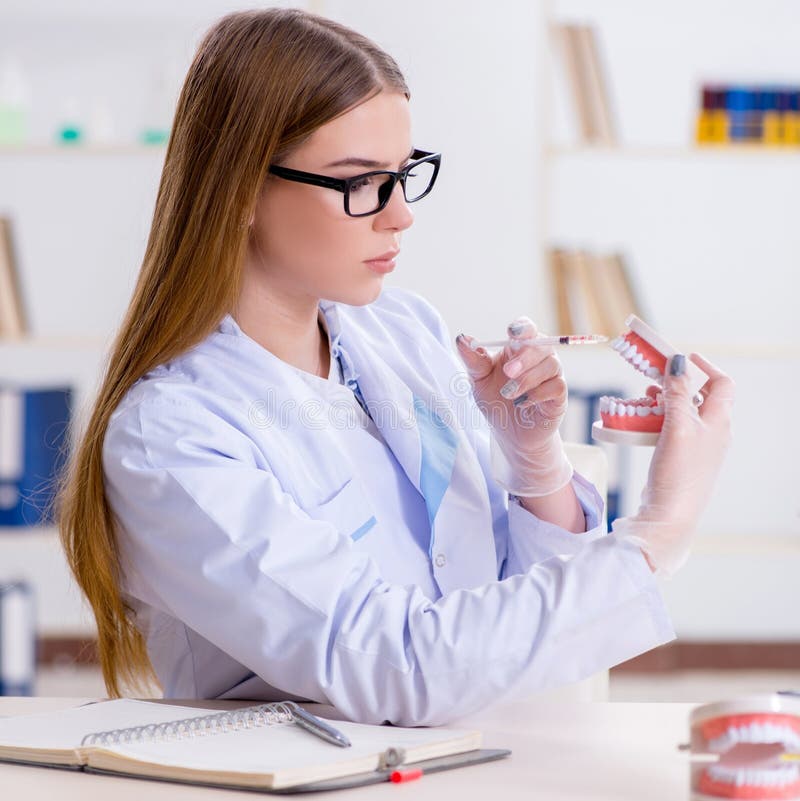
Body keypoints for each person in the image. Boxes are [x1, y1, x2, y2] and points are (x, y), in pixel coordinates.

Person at [58, 8, 734, 726]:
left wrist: (536, 468)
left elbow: (510, 621)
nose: (400, 215)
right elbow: (400, 664)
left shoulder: (405, 332)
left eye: (405, 175)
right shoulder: (170, 438)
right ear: (242, 190)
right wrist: (661, 531)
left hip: (481, 754)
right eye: (360, 181)